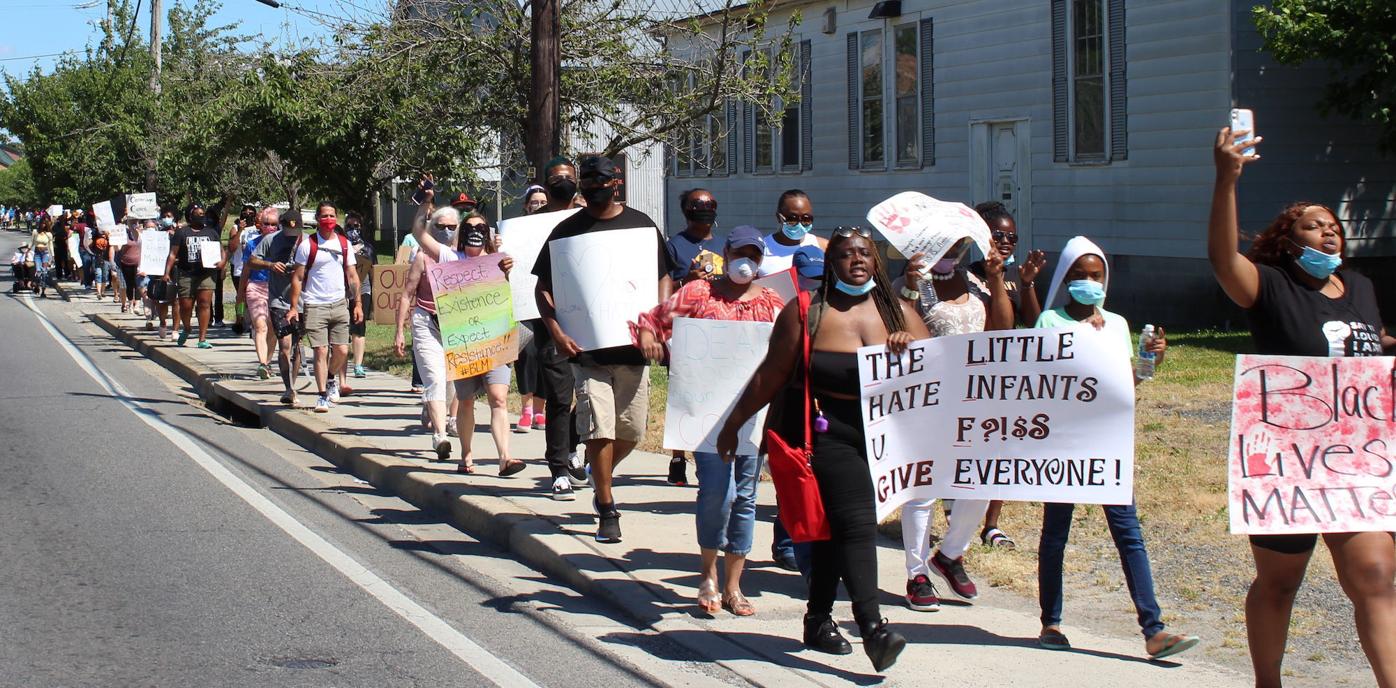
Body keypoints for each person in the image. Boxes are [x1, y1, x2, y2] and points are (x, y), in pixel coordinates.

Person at [1208, 127, 1396, 687]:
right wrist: (1227, 178)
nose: (1329, 232)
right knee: (1280, 583)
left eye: (1334, 226)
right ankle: (1269, 681)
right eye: (1314, 224)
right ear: (1288, 240)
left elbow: (1369, 347)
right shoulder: (1269, 286)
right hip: (1289, 463)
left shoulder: (1361, 287)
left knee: (1377, 575)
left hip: (1354, 464)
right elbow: (1222, 260)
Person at [717, 225, 921, 672]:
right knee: (857, 522)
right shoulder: (806, 311)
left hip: (884, 438)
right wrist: (733, 424)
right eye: (847, 254)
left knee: (832, 531)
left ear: (876, 261)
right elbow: (770, 375)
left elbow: (937, 370)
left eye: (865, 253)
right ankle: (873, 628)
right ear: (832, 264)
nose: (858, 260)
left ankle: (817, 619)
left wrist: (909, 348)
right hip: (826, 432)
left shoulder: (898, 311)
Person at [1032, 234, 1197, 660]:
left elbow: (1130, 378)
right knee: (1056, 533)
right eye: (1081, 276)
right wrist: (1084, 337)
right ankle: (1051, 621)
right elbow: (1040, 377)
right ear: (1066, 279)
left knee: (1129, 534)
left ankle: (1153, 629)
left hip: (1108, 441)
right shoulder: (1050, 323)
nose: (1090, 282)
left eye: (1097, 275)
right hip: (1064, 443)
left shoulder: (1120, 324)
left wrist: (1152, 359)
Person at [635, 225, 784, 618]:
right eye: (739, 253)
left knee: (747, 498)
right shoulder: (700, 294)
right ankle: (707, 573)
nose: (745, 261)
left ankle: (734, 585)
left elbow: (790, 349)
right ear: (727, 255)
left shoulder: (772, 302)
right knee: (719, 493)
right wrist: (652, 338)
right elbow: (652, 321)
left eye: (753, 254)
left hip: (752, 417)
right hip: (705, 415)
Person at [532, 154, 675, 540]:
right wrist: (557, 332)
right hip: (587, 354)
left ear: (617, 184)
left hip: (632, 351)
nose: (595, 190)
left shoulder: (641, 226)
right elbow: (542, 288)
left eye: (602, 183)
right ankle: (607, 508)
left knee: (630, 432)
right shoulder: (566, 232)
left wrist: (655, 323)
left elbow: (663, 276)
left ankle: (600, 474)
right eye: (588, 184)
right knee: (598, 428)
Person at [892, 237, 1013, 611]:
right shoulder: (909, 284)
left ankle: (949, 554)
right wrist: (911, 284)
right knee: (925, 487)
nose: (950, 254)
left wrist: (995, 280)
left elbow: (1003, 330)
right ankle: (917, 573)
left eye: (957, 248)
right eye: (942, 247)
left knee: (978, 480)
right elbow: (900, 328)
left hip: (976, 395)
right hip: (929, 396)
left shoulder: (975, 283)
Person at [402, 197, 526, 477]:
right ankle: (466, 455)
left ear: (488, 233)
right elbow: (420, 233)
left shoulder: (500, 261)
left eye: (480, 227)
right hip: (463, 343)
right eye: (469, 226)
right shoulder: (449, 258)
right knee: (466, 401)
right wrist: (426, 204)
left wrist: (508, 271)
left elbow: (517, 294)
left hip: (494, 341)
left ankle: (505, 457)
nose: (474, 231)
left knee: (499, 399)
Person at [529, 158, 590, 501]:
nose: (563, 183)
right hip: (548, 320)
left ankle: (574, 449)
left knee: (585, 394)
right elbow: (525, 271)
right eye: (557, 179)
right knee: (559, 394)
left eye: (568, 178)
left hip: (587, 319)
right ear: (547, 184)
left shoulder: (588, 218)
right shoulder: (533, 225)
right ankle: (559, 468)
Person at [395, 202, 461, 458]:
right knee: (434, 377)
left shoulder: (463, 257)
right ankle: (440, 436)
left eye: (451, 227)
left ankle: (445, 415)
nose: (446, 231)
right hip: (426, 322)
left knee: (453, 379)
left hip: (455, 323)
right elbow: (406, 294)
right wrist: (400, 330)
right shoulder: (422, 257)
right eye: (440, 226)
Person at [288, 202, 363, 413]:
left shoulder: (344, 244)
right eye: (324, 216)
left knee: (341, 350)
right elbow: (298, 277)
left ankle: (331, 378)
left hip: (339, 303)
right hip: (314, 304)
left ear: (336, 218)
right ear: (317, 219)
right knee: (320, 350)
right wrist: (294, 307)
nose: (328, 219)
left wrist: (357, 303)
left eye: (332, 215)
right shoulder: (307, 245)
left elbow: (352, 276)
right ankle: (321, 395)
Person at [248, 212, 304, 405]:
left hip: (303, 301)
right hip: (279, 300)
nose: (292, 234)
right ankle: (288, 387)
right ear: (281, 226)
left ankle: (293, 385)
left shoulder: (307, 243)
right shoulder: (271, 240)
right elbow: (252, 261)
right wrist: (270, 265)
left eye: (295, 231)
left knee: (297, 347)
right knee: (285, 346)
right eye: (288, 230)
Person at [514, 185, 550, 432]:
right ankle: (526, 408)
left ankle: (540, 410)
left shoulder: (554, 228)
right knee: (527, 353)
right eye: (534, 202)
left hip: (547, 302)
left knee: (547, 355)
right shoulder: (515, 230)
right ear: (527, 205)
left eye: (542, 201)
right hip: (522, 301)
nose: (538, 205)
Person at [164, 204, 224, 349]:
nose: (202, 216)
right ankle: (187, 327)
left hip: (206, 274)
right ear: (190, 216)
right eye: (198, 214)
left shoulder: (211, 232)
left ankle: (202, 338)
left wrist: (222, 263)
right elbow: (173, 254)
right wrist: (167, 272)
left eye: (203, 214)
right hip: (186, 274)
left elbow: (222, 250)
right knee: (186, 306)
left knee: (204, 303)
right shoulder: (182, 233)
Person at [240, 208, 280, 379]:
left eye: (274, 224)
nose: (270, 227)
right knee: (260, 325)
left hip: (276, 288)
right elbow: (245, 272)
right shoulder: (252, 245)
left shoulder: (282, 245)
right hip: (256, 287)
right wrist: (240, 294)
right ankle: (262, 363)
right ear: (260, 225)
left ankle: (268, 362)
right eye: (266, 224)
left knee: (272, 328)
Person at [758, 190, 827, 285]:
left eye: (806, 219)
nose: (800, 225)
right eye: (792, 219)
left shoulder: (823, 247)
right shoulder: (760, 249)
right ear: (779, 217)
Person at [345, 212, 373, 379]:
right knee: (341, 328)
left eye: (356, 226)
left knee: (359, 327)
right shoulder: (339, 246)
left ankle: (358, 364)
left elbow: (375, 272)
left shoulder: (368, 248)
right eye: (350, 226)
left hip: (363, 291)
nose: (353, 230)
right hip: (342, 292)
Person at [116, 221, 142, 315]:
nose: (135, 226)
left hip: (138, 263)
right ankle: (131, 303)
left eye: (136, 224)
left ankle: (137, 305)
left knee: (138, 284)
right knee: (129, 284)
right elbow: (118, 249)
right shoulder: (124, 236)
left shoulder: (141, 235)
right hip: (126, 263)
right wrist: (114, 240)